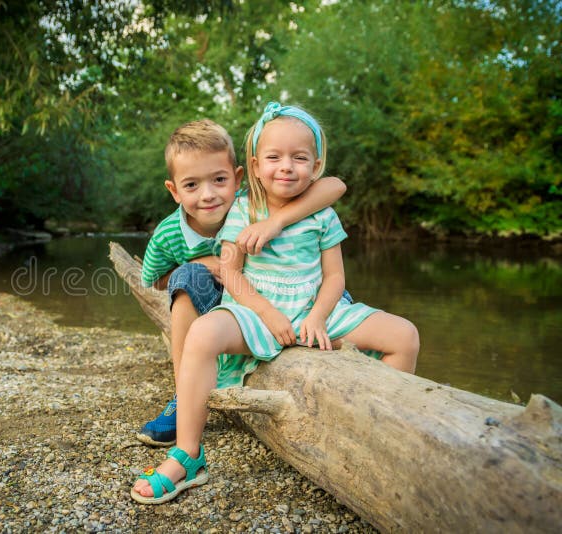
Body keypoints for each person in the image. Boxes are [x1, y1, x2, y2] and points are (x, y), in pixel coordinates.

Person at [131, 102, 419, 504]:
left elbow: (335, 277)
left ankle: (382, 438)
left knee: (404, 335)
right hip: (256, 309)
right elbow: (231, 275)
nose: (286, 166)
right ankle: (188, 455)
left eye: (299, 158)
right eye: (274, 157)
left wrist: (318, 316)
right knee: (202, 333)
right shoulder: (245, 209)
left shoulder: (321, 214)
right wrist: (267, 313)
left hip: (317, 309)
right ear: (254, 165)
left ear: (315, 167)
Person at [137, 118, 349, 448]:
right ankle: (183, 397)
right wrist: (201, 263)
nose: (208, 195)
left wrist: (277, 221)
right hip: (220, 301)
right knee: (186, 279)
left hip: (277, 292)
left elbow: (334, 186)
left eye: (219, 180)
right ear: (174, 191)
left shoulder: (255, 200)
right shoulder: (168, 234)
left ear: (238, 178)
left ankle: (335, 358)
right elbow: (153, 280)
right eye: (192, 186)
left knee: (326, 287)